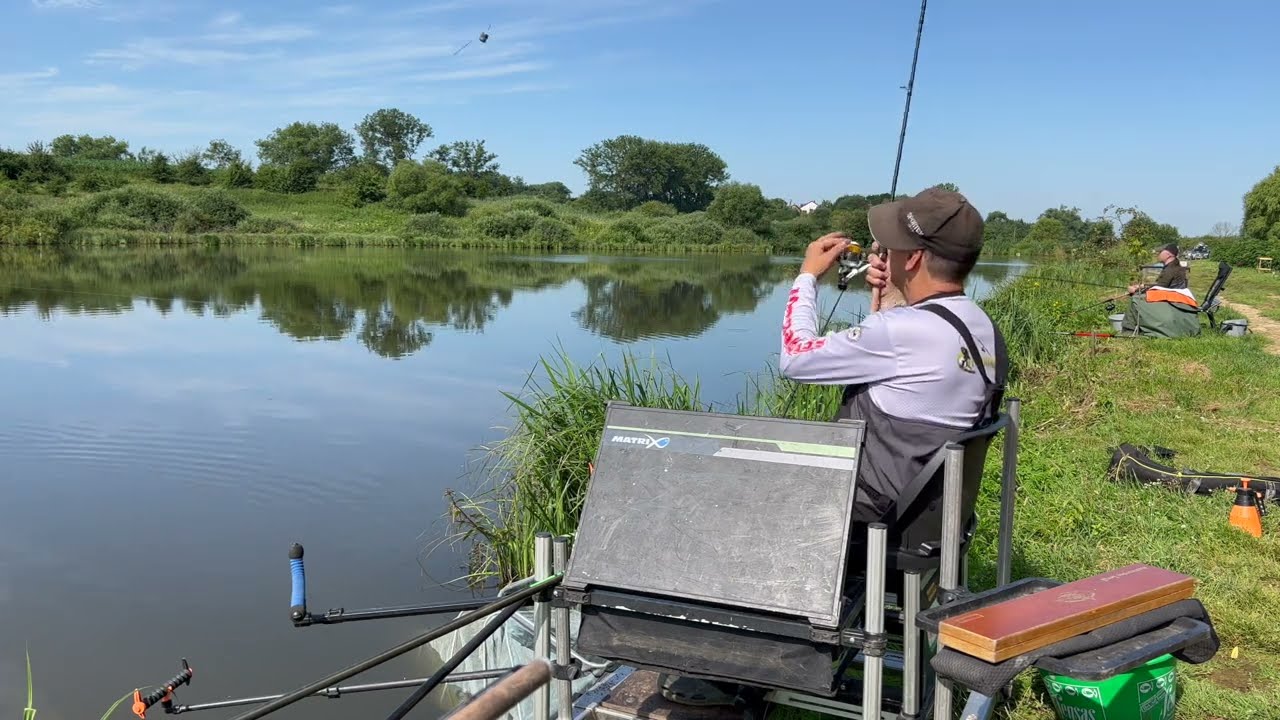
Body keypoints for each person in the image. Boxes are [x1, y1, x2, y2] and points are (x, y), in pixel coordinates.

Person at [778, 186, 1007, 522]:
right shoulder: (982, 326)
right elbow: (906, 374)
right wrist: (893, 295)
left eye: (891, 246)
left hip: (869, 520)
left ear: (913, 258)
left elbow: (795, 358)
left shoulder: (900, 331)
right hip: (926, 519)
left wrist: (807, 276)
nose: (881, 252)